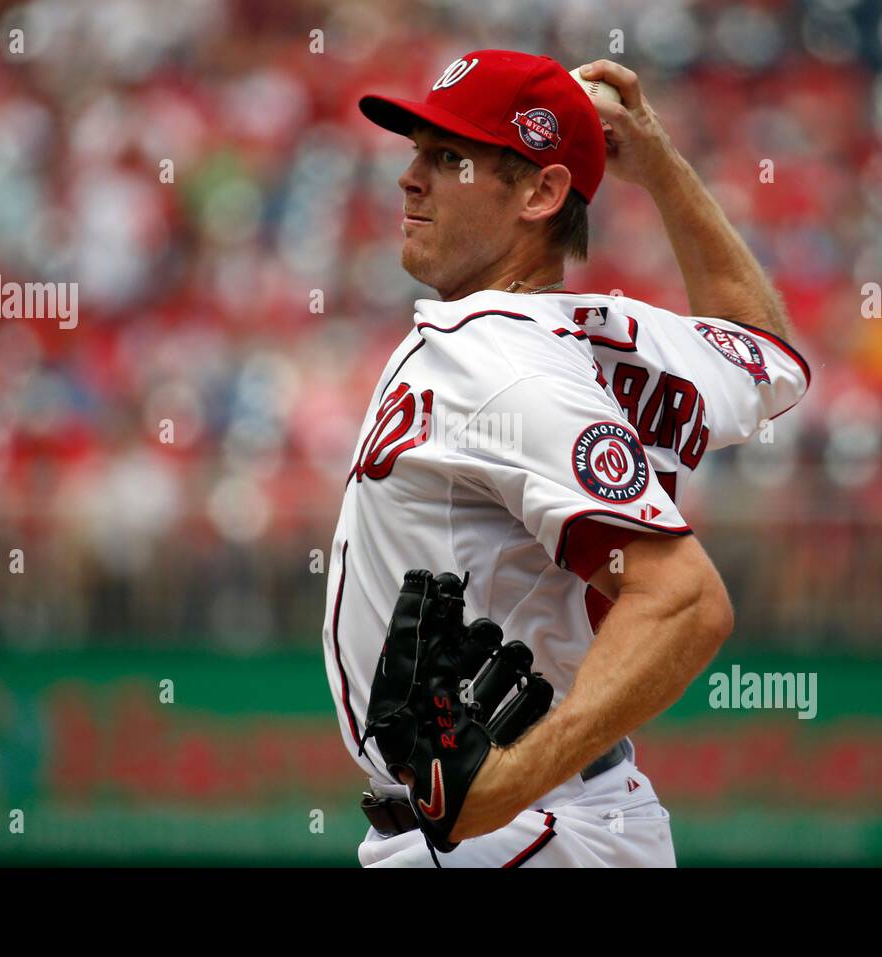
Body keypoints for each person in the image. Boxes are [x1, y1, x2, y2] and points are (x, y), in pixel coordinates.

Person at [321, 49, 810, 867]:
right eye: (416, 151)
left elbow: (684, 603)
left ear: (543, 194)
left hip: (522, 827)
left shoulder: (498, 361)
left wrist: (503, 785)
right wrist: (658, 163)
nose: (410, 178)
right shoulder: (610, 336)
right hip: (559, 816)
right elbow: (765, 350)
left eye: (450, 159)